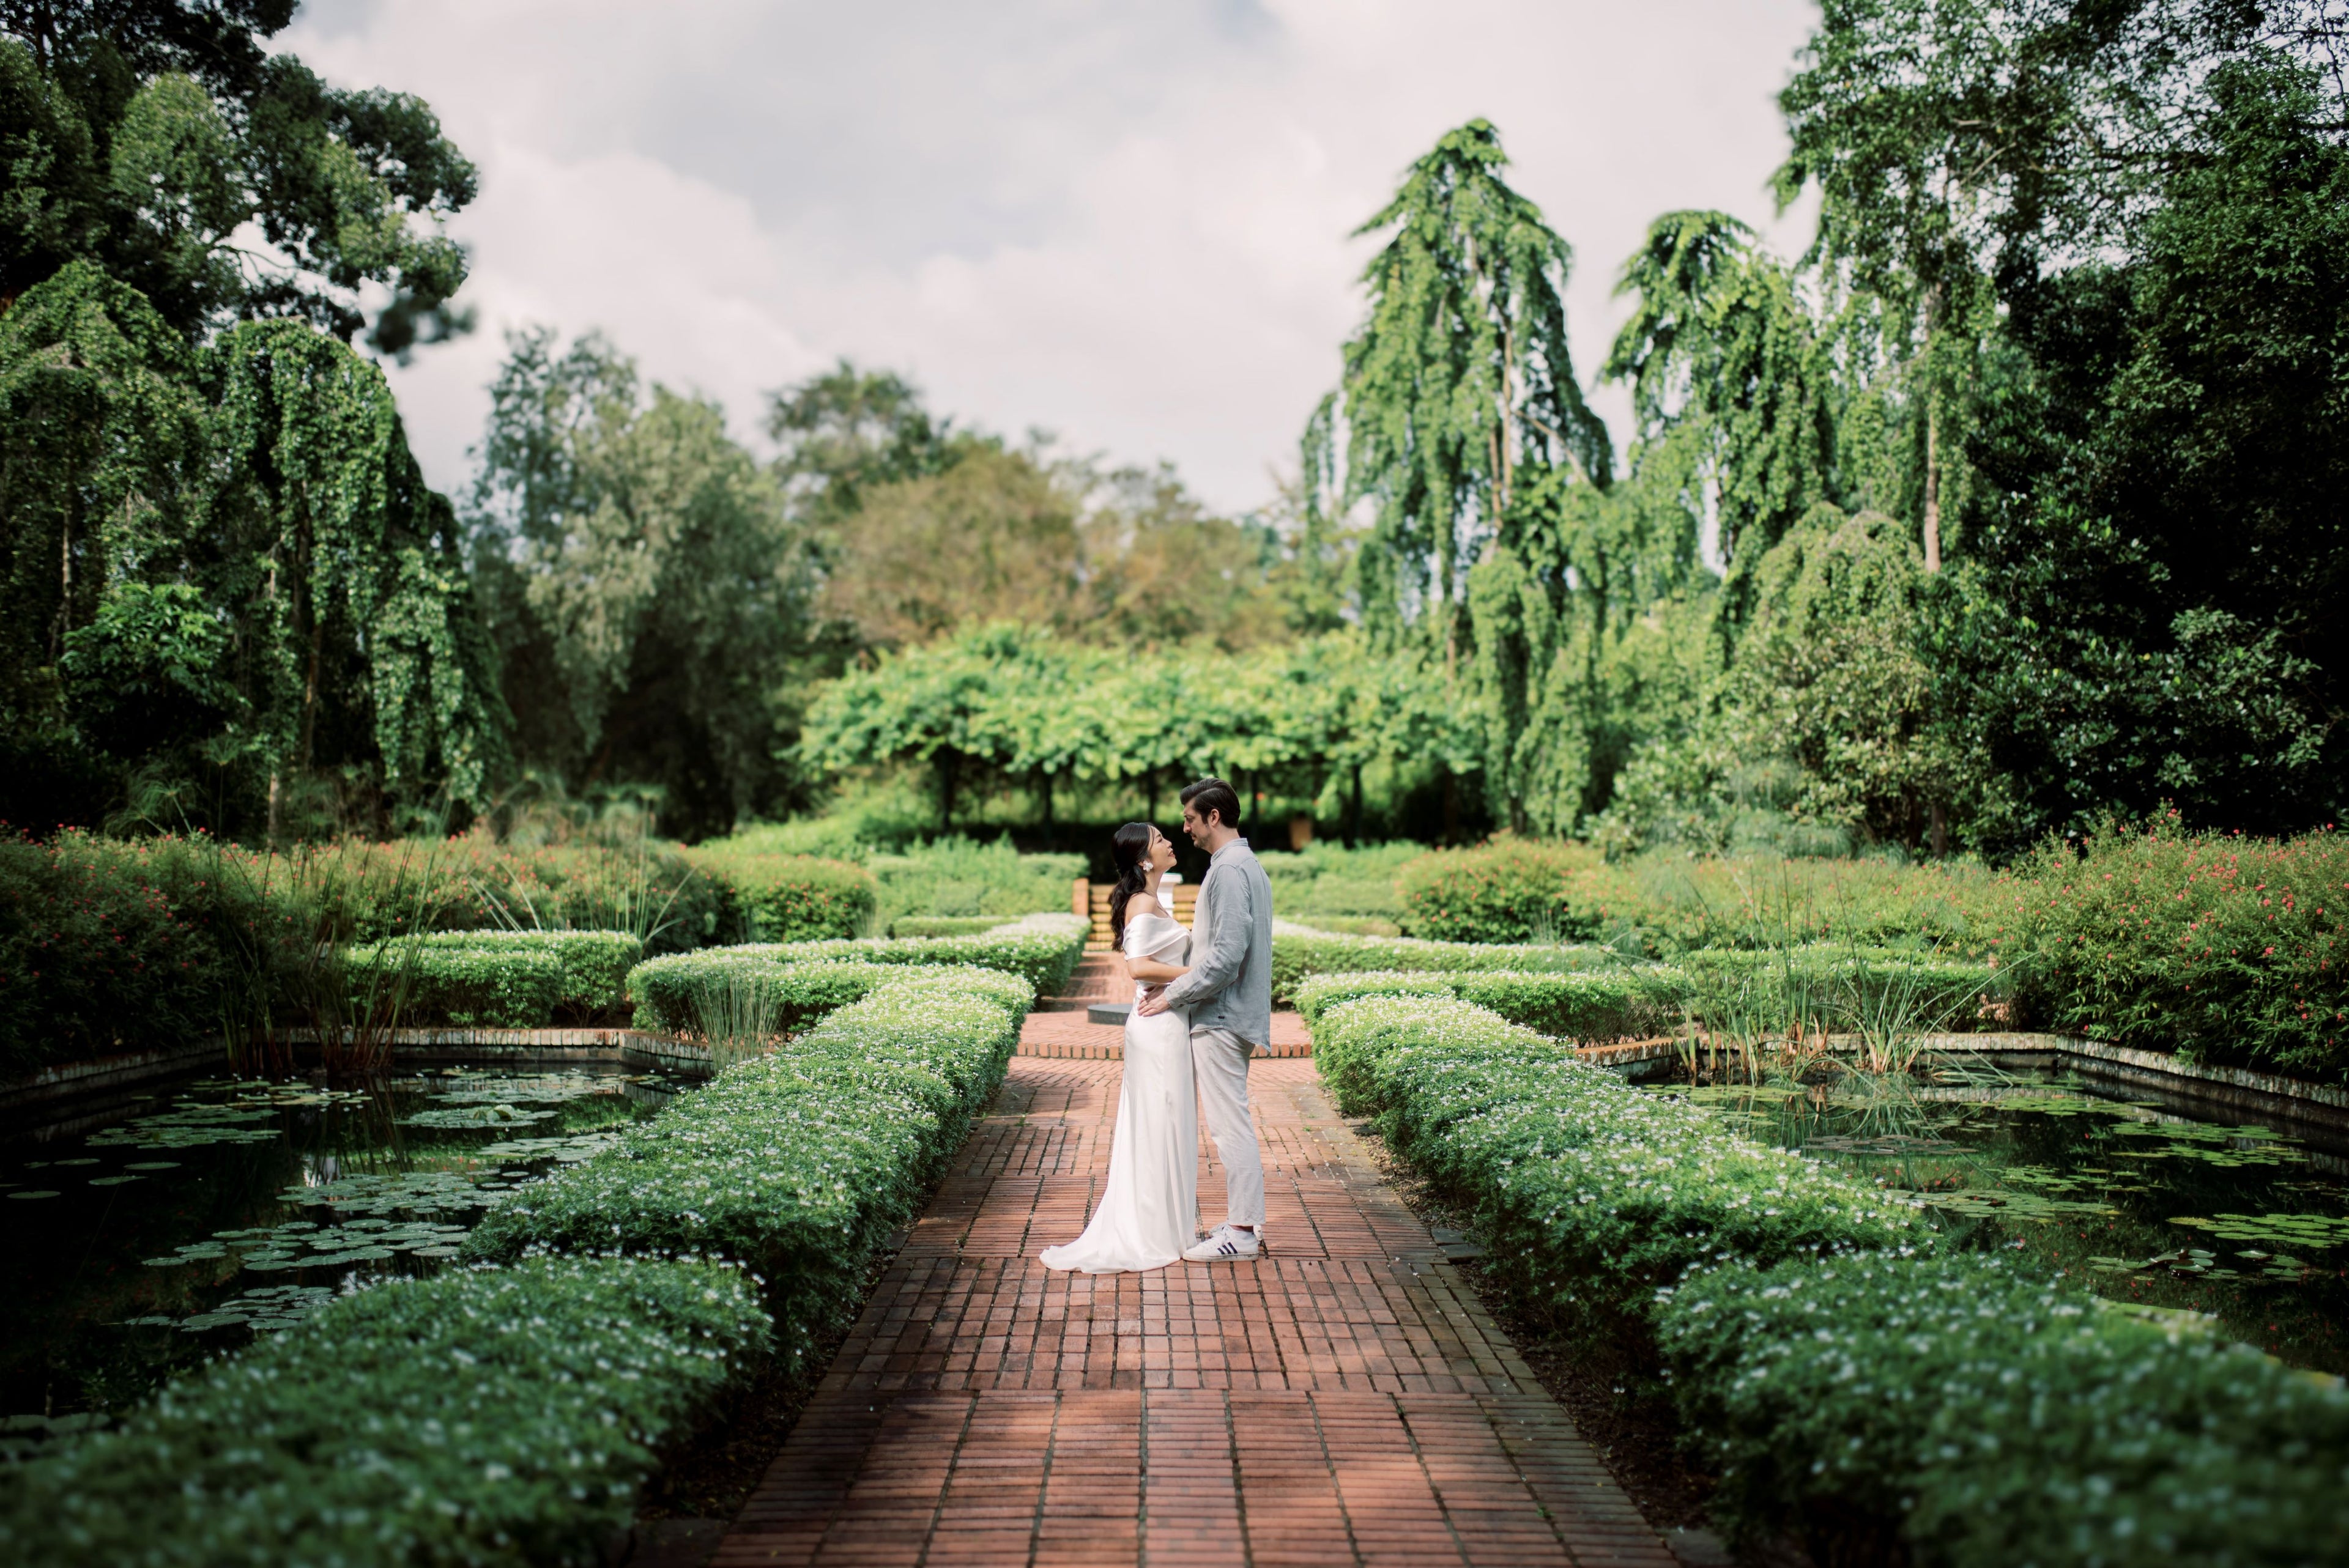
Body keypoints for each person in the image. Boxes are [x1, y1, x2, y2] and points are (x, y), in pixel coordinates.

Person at [1039, 823, 1200, 1273]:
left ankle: (1167, 1226)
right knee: (1158, 1124)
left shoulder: (1151, 900)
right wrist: (1201, 973)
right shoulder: (1142, 903)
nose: (1169, 840)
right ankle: (1151, 1231)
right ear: (1144, 858)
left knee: (1164, 1123)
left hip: (1164, 1022)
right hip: (1157, 1026)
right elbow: (1138, 967)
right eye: (1159, 838)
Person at [1137, 777, 1272, 1262]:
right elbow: (1214, 949)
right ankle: (1242, 1220)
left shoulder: (1231, 870)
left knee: (1229, 1126)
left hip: (1223, 1017)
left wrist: (1173, 994)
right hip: (1228, 1014)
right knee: (1229, 1122)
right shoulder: (1240, 865)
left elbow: (1226, 958)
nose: (1186, 829)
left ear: (1214, 817)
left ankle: (1243, 1233)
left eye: (1191, 819)